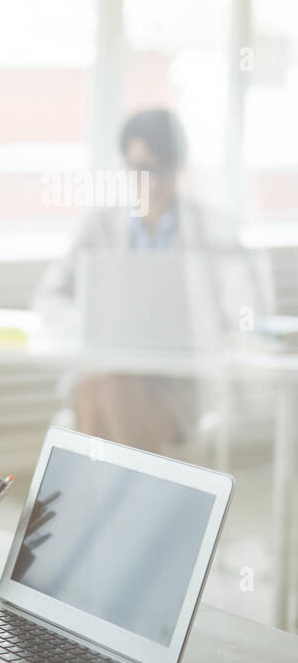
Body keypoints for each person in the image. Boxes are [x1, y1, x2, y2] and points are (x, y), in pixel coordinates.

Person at [34, 108, 270, 455]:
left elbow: (244, 308)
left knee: (103, 391)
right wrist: (89, 322)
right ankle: (133, 504)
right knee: (105, 384)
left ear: (181, 166)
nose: (154, 183)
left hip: (177, 384)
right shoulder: (97, 225)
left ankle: (102, 507)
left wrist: (215, 324)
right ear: (124, 165)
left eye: (164, 169)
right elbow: (50, 296)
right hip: (104, 368)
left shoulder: (213, 227)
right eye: (142, 169)